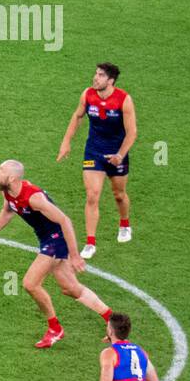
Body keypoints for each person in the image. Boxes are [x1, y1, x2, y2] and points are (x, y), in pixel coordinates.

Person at [0, 160, 112, 348]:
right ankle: (113, 320)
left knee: (31, 283)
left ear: (12, 177)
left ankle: (55, 329)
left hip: (56, 239)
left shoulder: (34, 198)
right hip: (46, 239)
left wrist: (75, 255)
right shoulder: (8, 191)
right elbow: (8, 209)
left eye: (1, 170)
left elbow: (65, 220)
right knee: (69, 288)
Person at [56, 62, 137, 259]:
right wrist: (66, 142)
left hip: (117, 153)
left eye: (100, 75)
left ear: (110, 81)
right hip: (94, 152)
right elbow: (77, 117)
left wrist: (120, 155)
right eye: (96, 74)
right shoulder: (88, 94)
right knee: (92, 195)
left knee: (119, 194)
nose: (95, 78)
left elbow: (132, 132)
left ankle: (125, 224)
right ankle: (90, 243)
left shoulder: (123, 100)